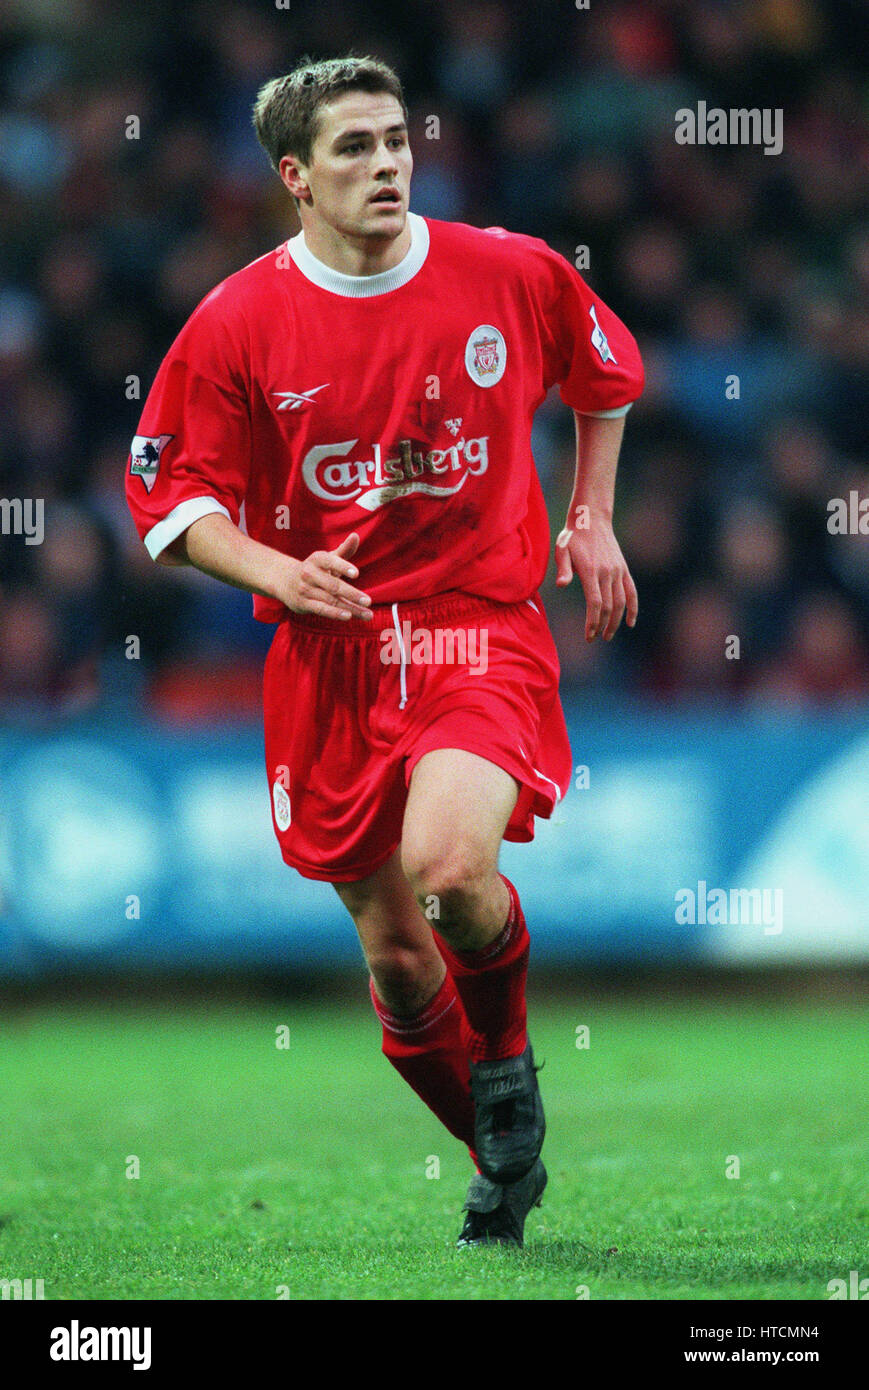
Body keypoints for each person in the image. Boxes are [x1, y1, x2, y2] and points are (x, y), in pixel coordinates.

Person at [125, 55, 644, 1248]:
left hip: (476, 628)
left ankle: (506, 1062)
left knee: (451, 874)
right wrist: (274, 571)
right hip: (330, 653)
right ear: (295, 179)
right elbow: (167, 500)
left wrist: (590, 512)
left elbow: (601, 372)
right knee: (399, 963)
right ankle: (497, 1155)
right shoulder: (236, 321)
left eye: (397, 138)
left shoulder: (507, 271)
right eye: (353, 148)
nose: (387, 163)